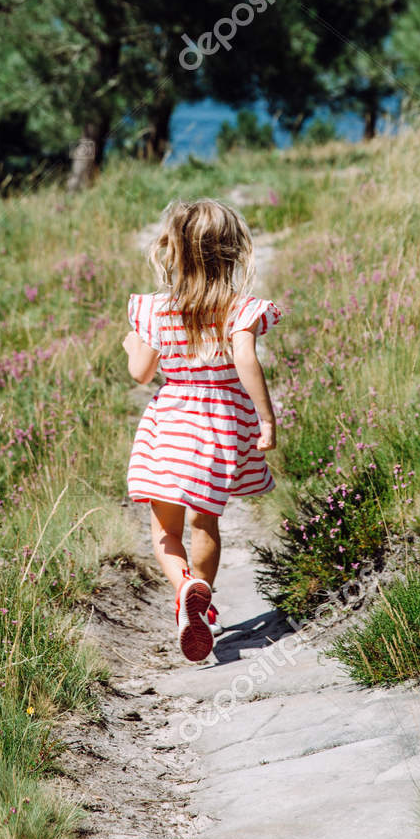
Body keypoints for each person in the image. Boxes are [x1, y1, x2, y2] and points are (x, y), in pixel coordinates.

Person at [122, 198, 282, 662]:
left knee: (165, 532)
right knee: (205, 520)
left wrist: (132, 341)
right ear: (231, 251)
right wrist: (266, 419)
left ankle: (184, 586)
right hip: (220, 427)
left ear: (172, 250)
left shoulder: (155, 310)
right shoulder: (239, 308)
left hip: (170, 422)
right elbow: (246, 360)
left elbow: (141, 372)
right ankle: (203, 594)